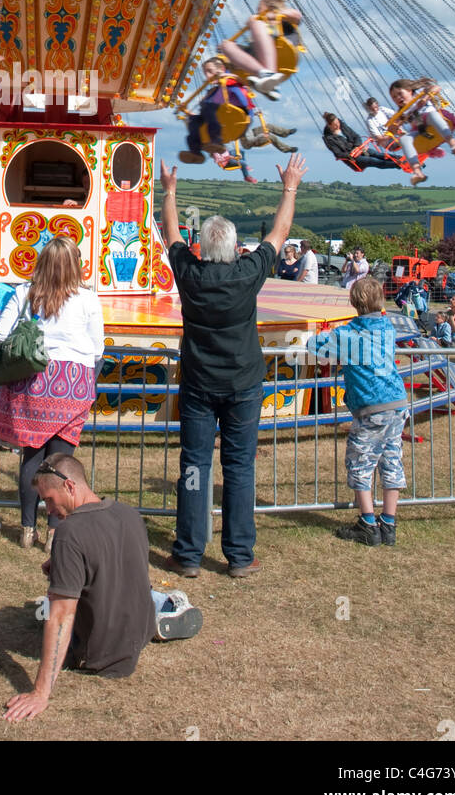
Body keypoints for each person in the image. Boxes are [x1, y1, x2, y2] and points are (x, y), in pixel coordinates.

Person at [160, 151, 307, 578]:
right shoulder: (249, 272)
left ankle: (188, 553)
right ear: (233, 247)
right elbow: (280, 231)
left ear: (202, 247)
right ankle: (240, 555)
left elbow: (170, 234)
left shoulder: (189, 274)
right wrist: (289, 186)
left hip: (199, 384)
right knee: (239, 467)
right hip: (243, 383)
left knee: (194, 463)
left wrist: (170, 192)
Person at [3, 455, 202, 722]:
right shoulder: (128, 513)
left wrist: (40, 692)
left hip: (99, 656)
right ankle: (165, 609)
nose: (48, 509)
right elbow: (115, 563)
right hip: (137, 637)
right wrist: (64, 564)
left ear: (70, 487)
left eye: (49, 499)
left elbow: (62, 616)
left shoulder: (69, 533)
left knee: (46, 610)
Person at [0, 236, 104, 551]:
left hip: (33, 382)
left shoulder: (25, 294)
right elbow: (97, 349)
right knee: (61, 459)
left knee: (31, 456)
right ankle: (55, 529)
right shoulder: (87, 298)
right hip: (73, 384)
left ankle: (27, 528)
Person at [307, 276, 407, 546]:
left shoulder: (347, 335)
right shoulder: (387, 328)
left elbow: (313, 347)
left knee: (360, 462)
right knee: (391, 460)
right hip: (396, 402)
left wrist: (328, 333)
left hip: (370, 406)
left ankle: (367, 522)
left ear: (353, 302)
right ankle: (389, 522)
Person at [218, 0, 303, 100]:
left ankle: (270, 75)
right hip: (261, 56)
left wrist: (267, 16)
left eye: (259, 8)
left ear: (270, 6)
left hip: (282, 47)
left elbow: (297, 15)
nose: (257, 12)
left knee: (257, 24)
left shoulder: (280, 17)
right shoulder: (260, 29)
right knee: (226, 45)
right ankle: (265, 77)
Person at [387, 78, 455, 186]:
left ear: (409, 90)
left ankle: (453, 144)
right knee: (404, 139)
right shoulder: (402, 112)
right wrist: (393, 128)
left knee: (432, 115)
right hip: (422, 132)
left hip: (433, 122)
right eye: (394, 97)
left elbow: (436, 88)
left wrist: (426, 98)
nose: (398, 98)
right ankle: (417, 172)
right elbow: (393, 127)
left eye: (400, 93)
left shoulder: (419, 95)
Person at [321, 112, 402, 171]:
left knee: (376, 154)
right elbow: (338, 153)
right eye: (335, 125)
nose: (338, 125)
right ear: (329, 125)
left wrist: (357, 146)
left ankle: (401, 159)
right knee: (373, 160)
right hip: (353, 158)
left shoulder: (342, 126)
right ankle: (398, 165)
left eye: (338, 122)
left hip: (360, 149)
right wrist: (350, 154)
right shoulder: (329, 138)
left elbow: (356, 136)